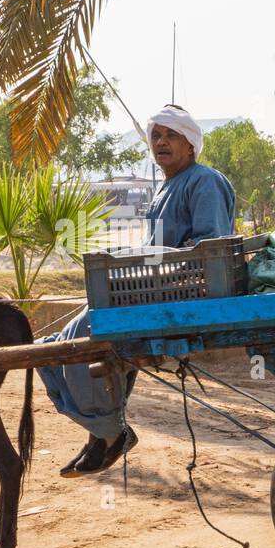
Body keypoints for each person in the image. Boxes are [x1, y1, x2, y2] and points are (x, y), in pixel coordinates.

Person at [38, 105, 237, 478]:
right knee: (49, 347)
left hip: (175, 294)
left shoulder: (202, 180)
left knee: (81, 340)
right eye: (156, 136)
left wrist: (157, 268)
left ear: (190, 144)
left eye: (170, 136)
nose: (161, 142)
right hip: (149, 289)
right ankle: (102, 431)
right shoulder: (169, 185)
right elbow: (158, 245)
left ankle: (110, 432)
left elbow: (210, 245)